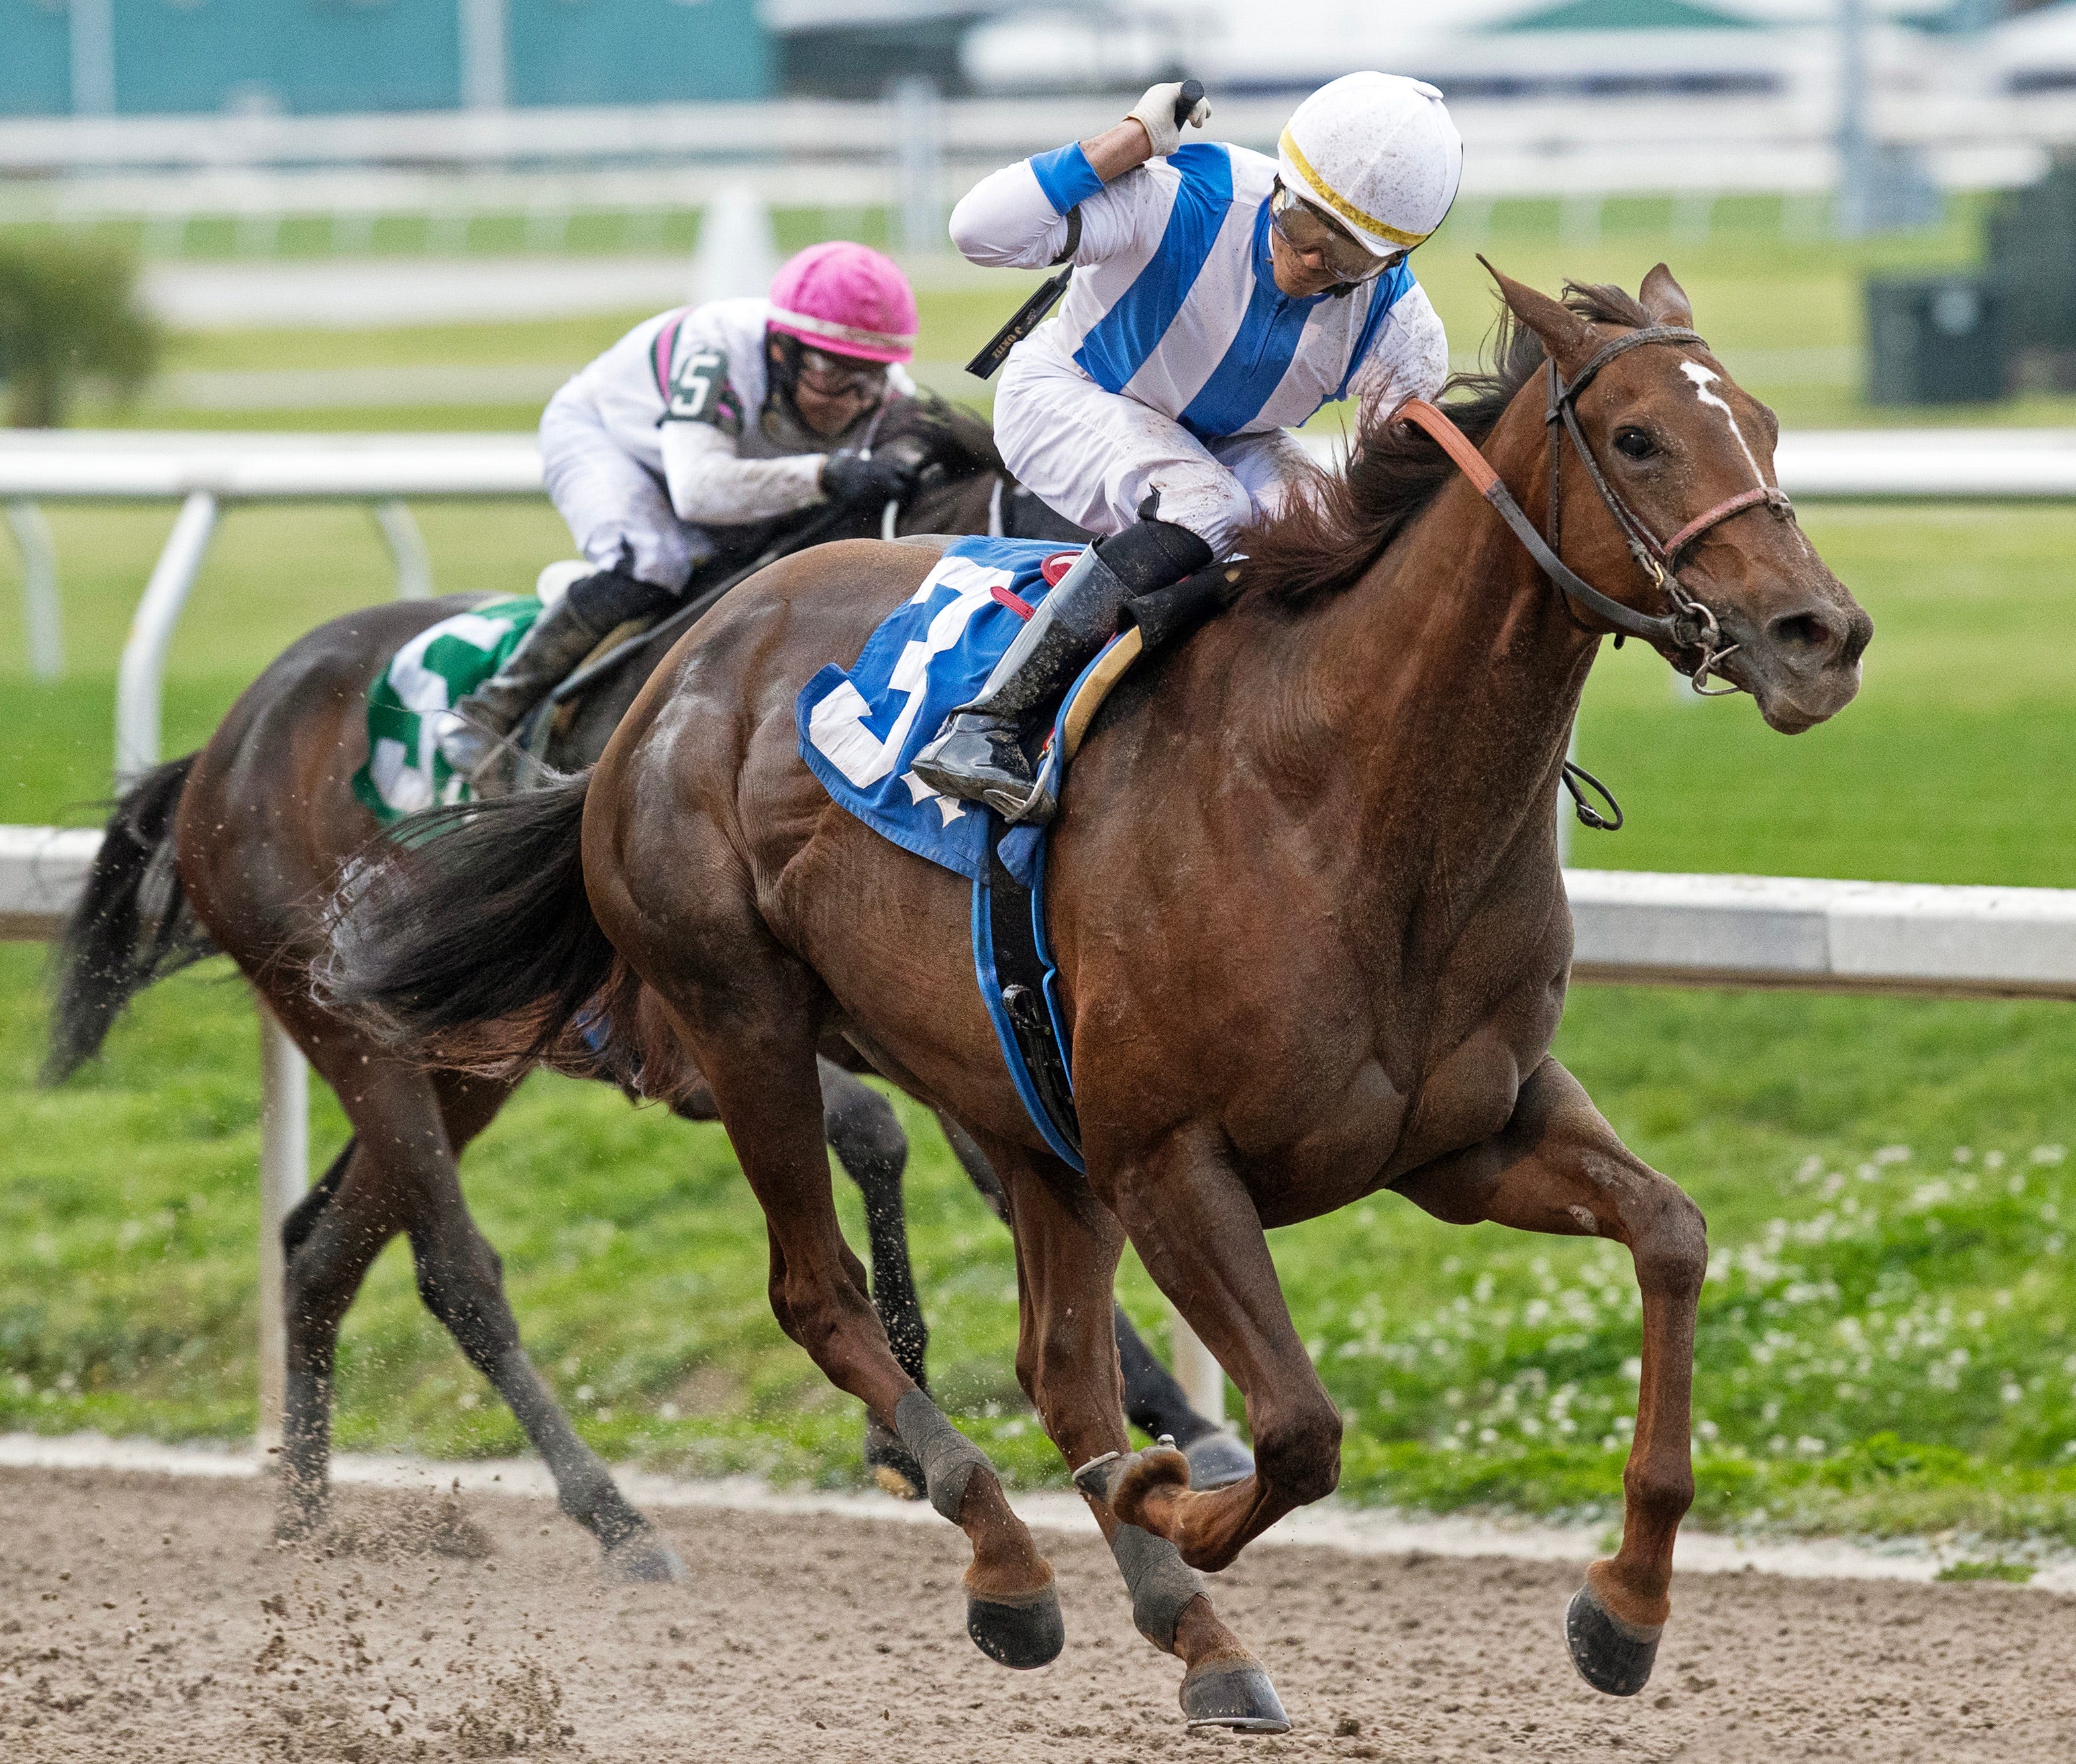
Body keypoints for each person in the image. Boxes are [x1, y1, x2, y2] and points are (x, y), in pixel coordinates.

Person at [910, 71, 1463, 822]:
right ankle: (988, 725)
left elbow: (1391, 509)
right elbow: (978, 231)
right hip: (1073, 392)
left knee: (1325, 541)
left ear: (1394, 259)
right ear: (1280, 185)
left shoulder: (1399, 329)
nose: (1309, 266)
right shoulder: (1183, 197)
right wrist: (1132, 140)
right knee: (1209, 507)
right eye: (1301, 232)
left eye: (1347, 262)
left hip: (1229, 441)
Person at [437, 241, 925, 785]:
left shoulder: (877, 387)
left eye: (870, 377)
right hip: (612, 441)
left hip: (718, 463)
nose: (854, 400)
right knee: (655, 560)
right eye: (833, 374)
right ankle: (486, 715)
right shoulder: (717, 351)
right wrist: (824, 475)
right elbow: (697, 491)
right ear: (782, 349)